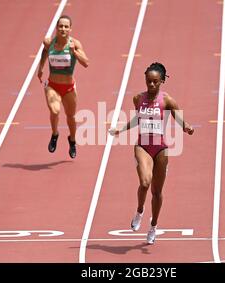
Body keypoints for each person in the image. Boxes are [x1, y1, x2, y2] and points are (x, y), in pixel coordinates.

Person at [109, 62, 194, 244]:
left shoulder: (168, 100)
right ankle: (139, 211)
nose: (152, 85)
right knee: (145, 182)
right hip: (143, 146)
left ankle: (153, 226)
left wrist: (186, 126)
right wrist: (121, 130)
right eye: (149, 81)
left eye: (155, 81)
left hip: (161, 148)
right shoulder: (138, 99)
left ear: (162, 81)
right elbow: (138, 120)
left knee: (157, 192)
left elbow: (180, 119)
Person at [37, 15, 89, 158]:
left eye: (66, 26)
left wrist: (74, 52)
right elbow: (45, 52)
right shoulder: (49, 42)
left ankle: (72, 141)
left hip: (69, 87)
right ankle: (55, 134)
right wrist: (40, 68)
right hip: (52, 85)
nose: (63, 29)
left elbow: (86, 63)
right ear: (56, 28)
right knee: (55, 110)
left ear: (70, 29)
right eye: (60, 26)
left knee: (71, 117)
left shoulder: (75, 44)